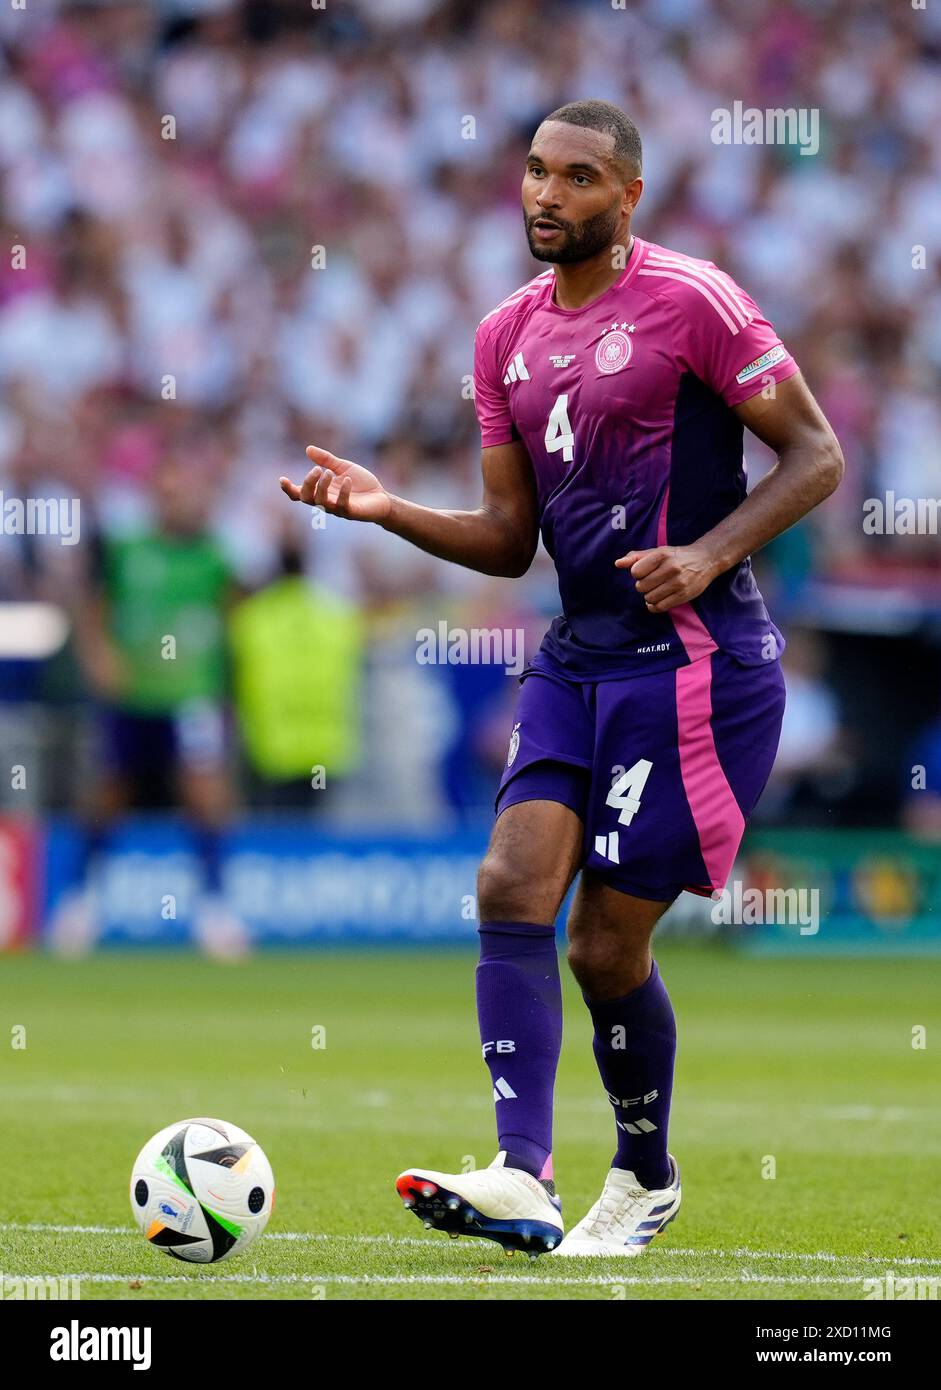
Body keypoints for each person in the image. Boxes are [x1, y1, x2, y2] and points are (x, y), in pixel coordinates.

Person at [280, 100, 844, 1257]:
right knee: (505, 884)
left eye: (578, 178)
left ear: (626, 196)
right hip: (576, 654)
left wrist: (708, 553)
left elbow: (817, 454)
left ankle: (641, 1176)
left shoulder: (694, 301)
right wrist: (387, 511)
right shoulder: (503, 337)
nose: (548, 194)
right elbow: (506, 538)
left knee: (600, 945)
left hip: (695, 663)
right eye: (535, 171)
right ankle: (522, 1173)